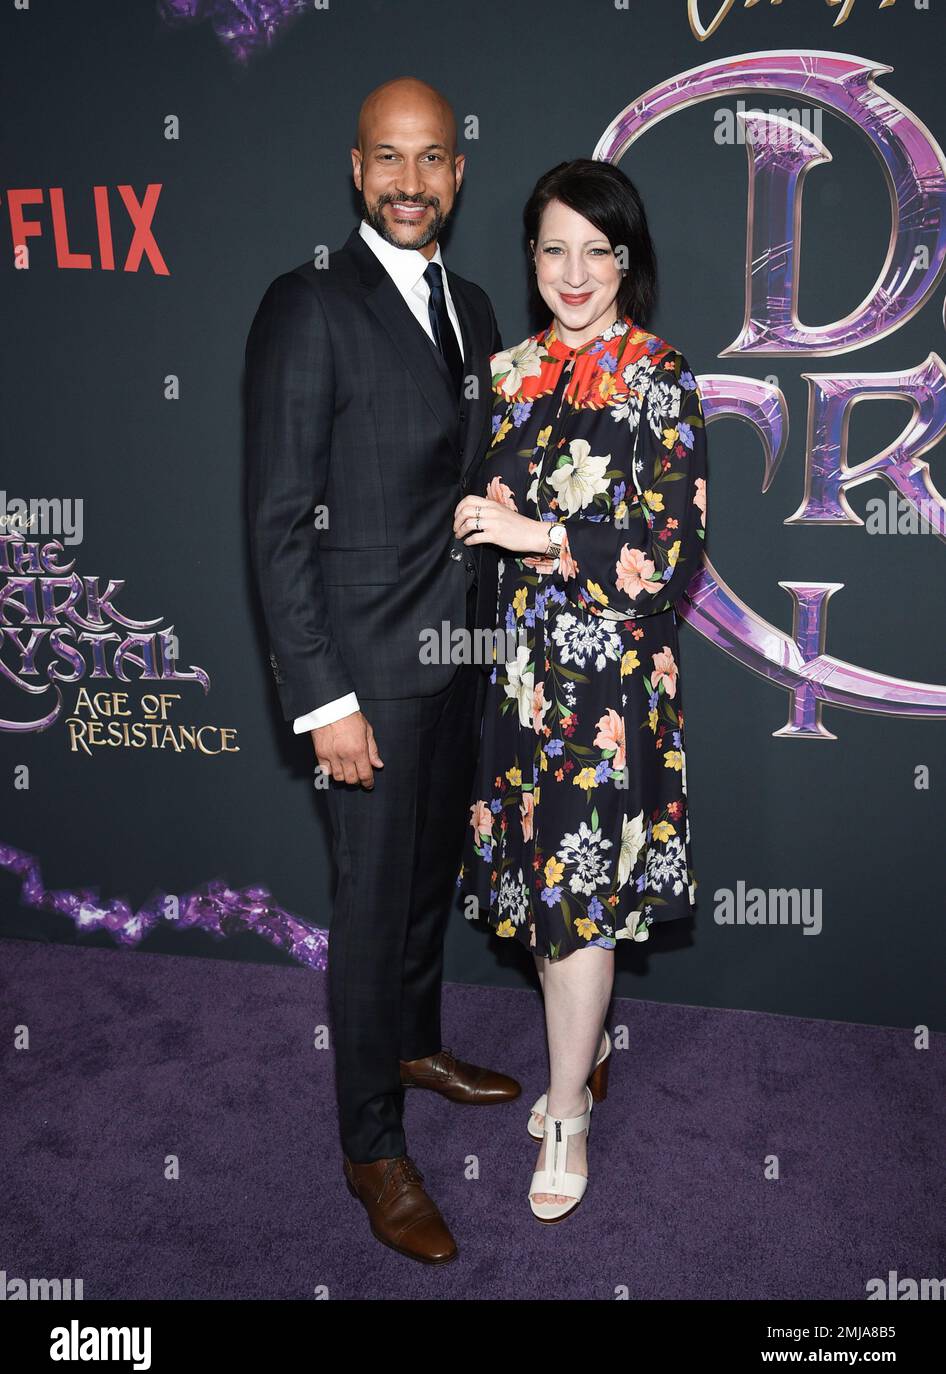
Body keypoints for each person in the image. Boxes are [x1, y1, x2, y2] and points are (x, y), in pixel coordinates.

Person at [245, 77, 519, 1266]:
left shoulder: (473, 303)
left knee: (424, 884)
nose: (411, 183)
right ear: (357, 173)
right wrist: (324, 698)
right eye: (387, 161)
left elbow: (451, 480)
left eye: (432, 161)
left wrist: (490, 501)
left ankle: (414, 1040)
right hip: (363, 677)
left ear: (457, 173)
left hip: (459, 661)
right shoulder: (308, 305)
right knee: (366, 912)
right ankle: (371, 1145)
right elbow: (275, 523)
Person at [455, 158, 708, 1222]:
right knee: (546, 897)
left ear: (625, 259)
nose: (572, 271)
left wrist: (539, 533)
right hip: (516, 680)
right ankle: (584, 1053)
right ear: (530, 256)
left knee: (580, 905)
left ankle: (565, 1110)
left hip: (606, 692)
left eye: (594, 250)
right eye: (552, 247)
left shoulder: (658, 374)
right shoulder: (506, 374)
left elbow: (671, 552)